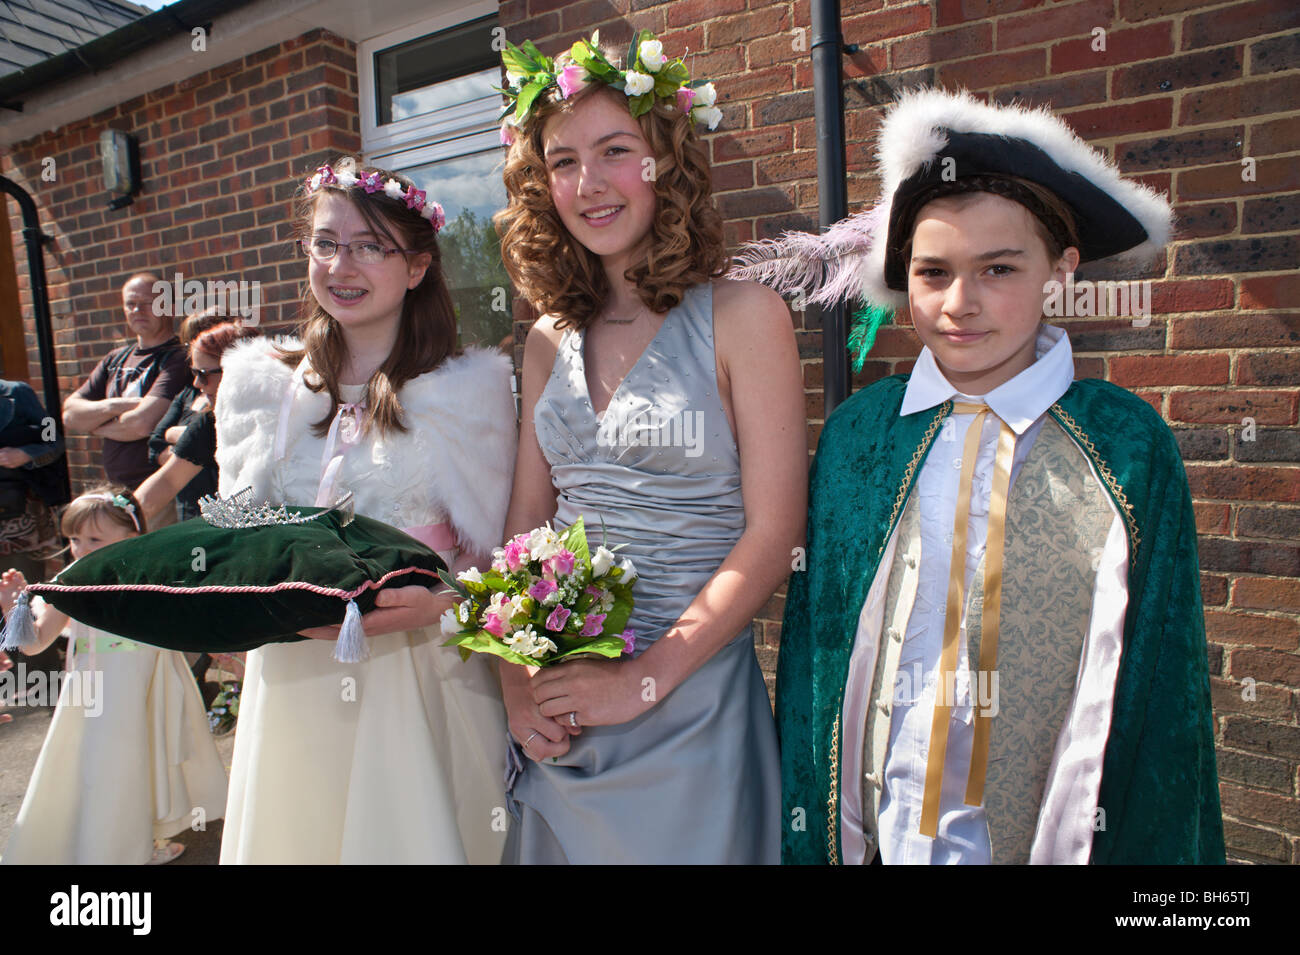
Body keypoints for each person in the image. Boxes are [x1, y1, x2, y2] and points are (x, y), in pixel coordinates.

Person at [737, 87, 1224, 864]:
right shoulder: (863, 435)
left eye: (998, 268)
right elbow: (815, 661)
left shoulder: (1128, 444)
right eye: (933, 272)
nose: (960, 303)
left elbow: (1165, 700)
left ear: (1059, 270)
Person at [494, 32, 804, 863]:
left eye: (615, 151)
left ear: (665, 161)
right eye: (562, 161)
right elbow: (526, 521)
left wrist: (644, 676)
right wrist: (513, 678)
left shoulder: (745, 317)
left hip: (690, 709)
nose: (588, 183)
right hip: (562, 722)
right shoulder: (544, 340)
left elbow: (774, 536)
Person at [213, 157, 516, 864]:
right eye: (326, 242)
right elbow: (231, 535)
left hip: (419, 678)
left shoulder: (470, 391)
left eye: (368, 245)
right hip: (294, 673)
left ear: (415, 265)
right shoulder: (259, 384)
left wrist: (442, 597)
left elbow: (502, 562)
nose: (341, 264)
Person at [0, 487, 228, 865]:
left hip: (150, 689)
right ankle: (113, 848)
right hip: (96, 696)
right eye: (73, 539)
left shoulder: (154, 578)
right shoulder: (71, 584)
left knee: (148, 761)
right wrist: (14, 607)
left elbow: (184, 625)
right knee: (109, 766)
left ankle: (146, 837)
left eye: (94, 539)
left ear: (132, 538)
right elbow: (34, 644)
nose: (80, 548)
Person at [62, 273, 188, 517]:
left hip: (161, 492)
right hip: (118, 491)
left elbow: (141, 424)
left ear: (170, 307)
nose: (138, 309)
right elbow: (69, 415)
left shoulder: (178, 357)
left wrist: (94, 424)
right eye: (131, 303)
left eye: (148, 302)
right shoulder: (114, 358)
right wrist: (118, 406)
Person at [136, 321, 260, 525]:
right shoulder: (209, 423)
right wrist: (118, 518)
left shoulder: (293, 410)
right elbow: (167, 481)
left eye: (203, 374)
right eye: (194, 373)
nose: (196, 384)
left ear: (238, 369)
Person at [146, 306, 229, 522]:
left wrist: (176, 439)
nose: (194, 350)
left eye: (206, 341)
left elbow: (220, 449)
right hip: (189, 511)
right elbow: (155, 448)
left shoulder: (238, 405)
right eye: (190, 343)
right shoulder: (187, 394)